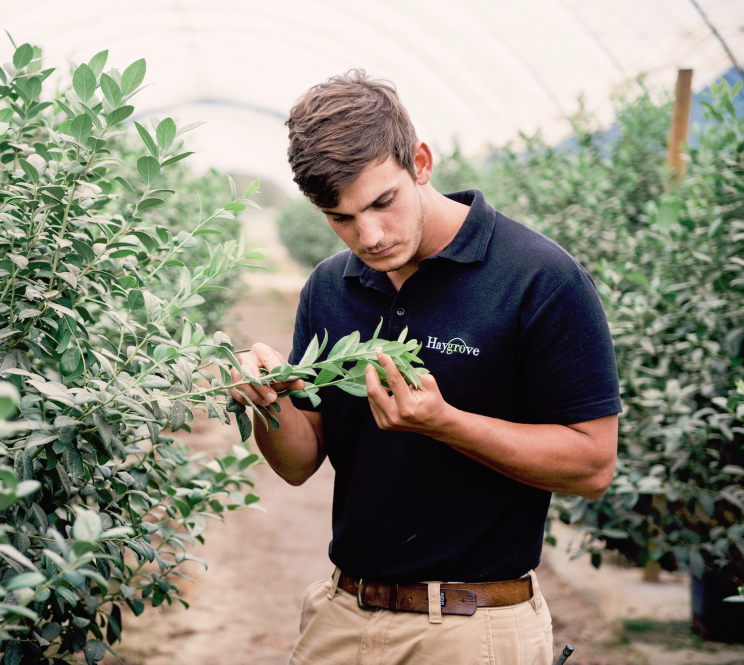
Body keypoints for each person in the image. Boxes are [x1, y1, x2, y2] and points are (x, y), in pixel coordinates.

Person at [229, 70, 622, 664]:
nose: (370, 235)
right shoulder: (329, 288)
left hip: (472, 627)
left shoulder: (539, 279)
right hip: (342, 616)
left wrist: (444, 422)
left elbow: (592, 464)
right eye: (341, 219)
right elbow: (300, 463)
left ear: (421, 161)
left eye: (383, 202)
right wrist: (268, 402)